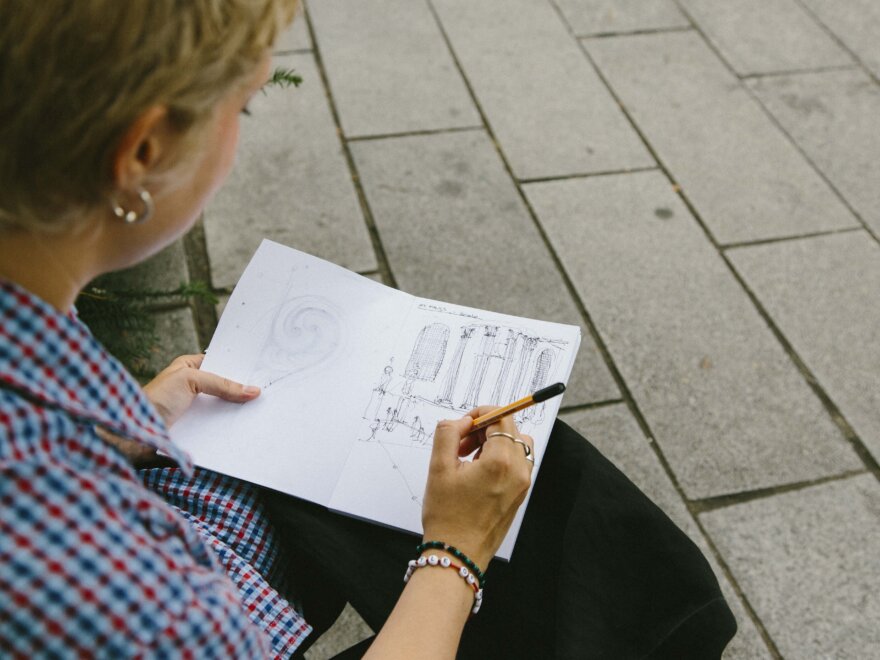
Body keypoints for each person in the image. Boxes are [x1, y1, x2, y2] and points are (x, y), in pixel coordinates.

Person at [0, 1, 737, 657]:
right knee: (549, 523)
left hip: (178, 524)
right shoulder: (116, 584)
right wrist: (455, 553)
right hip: (205, 591)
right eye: (243, 108)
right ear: (142, 154)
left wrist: (118, 432)